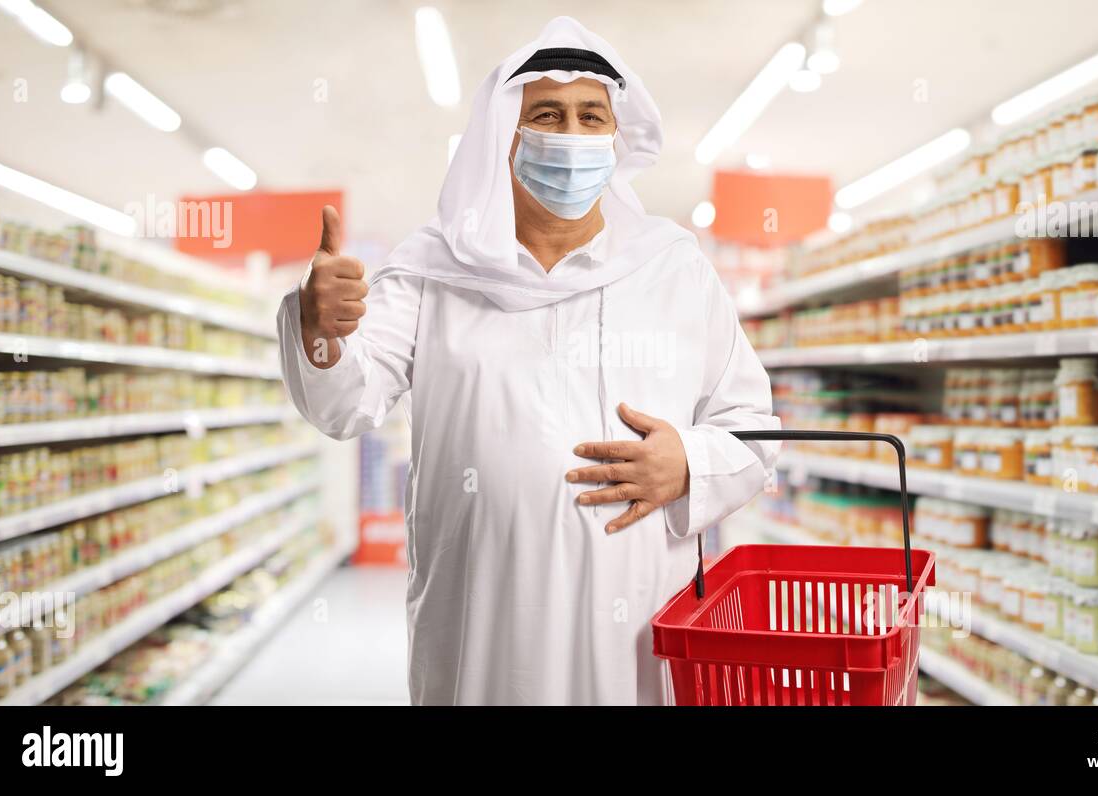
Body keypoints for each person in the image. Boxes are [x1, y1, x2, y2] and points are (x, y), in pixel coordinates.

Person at [278, 16, 779, 705]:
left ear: (616, 136)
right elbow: (342, 404)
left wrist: (689, 462)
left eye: (589, 116)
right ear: (505, 136)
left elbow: (754, 428)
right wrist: (318, 326)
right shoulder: (434, 270)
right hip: (477, 635)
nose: (571, 136)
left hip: (631, 630)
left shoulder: (673, 270)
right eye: (547, 115)